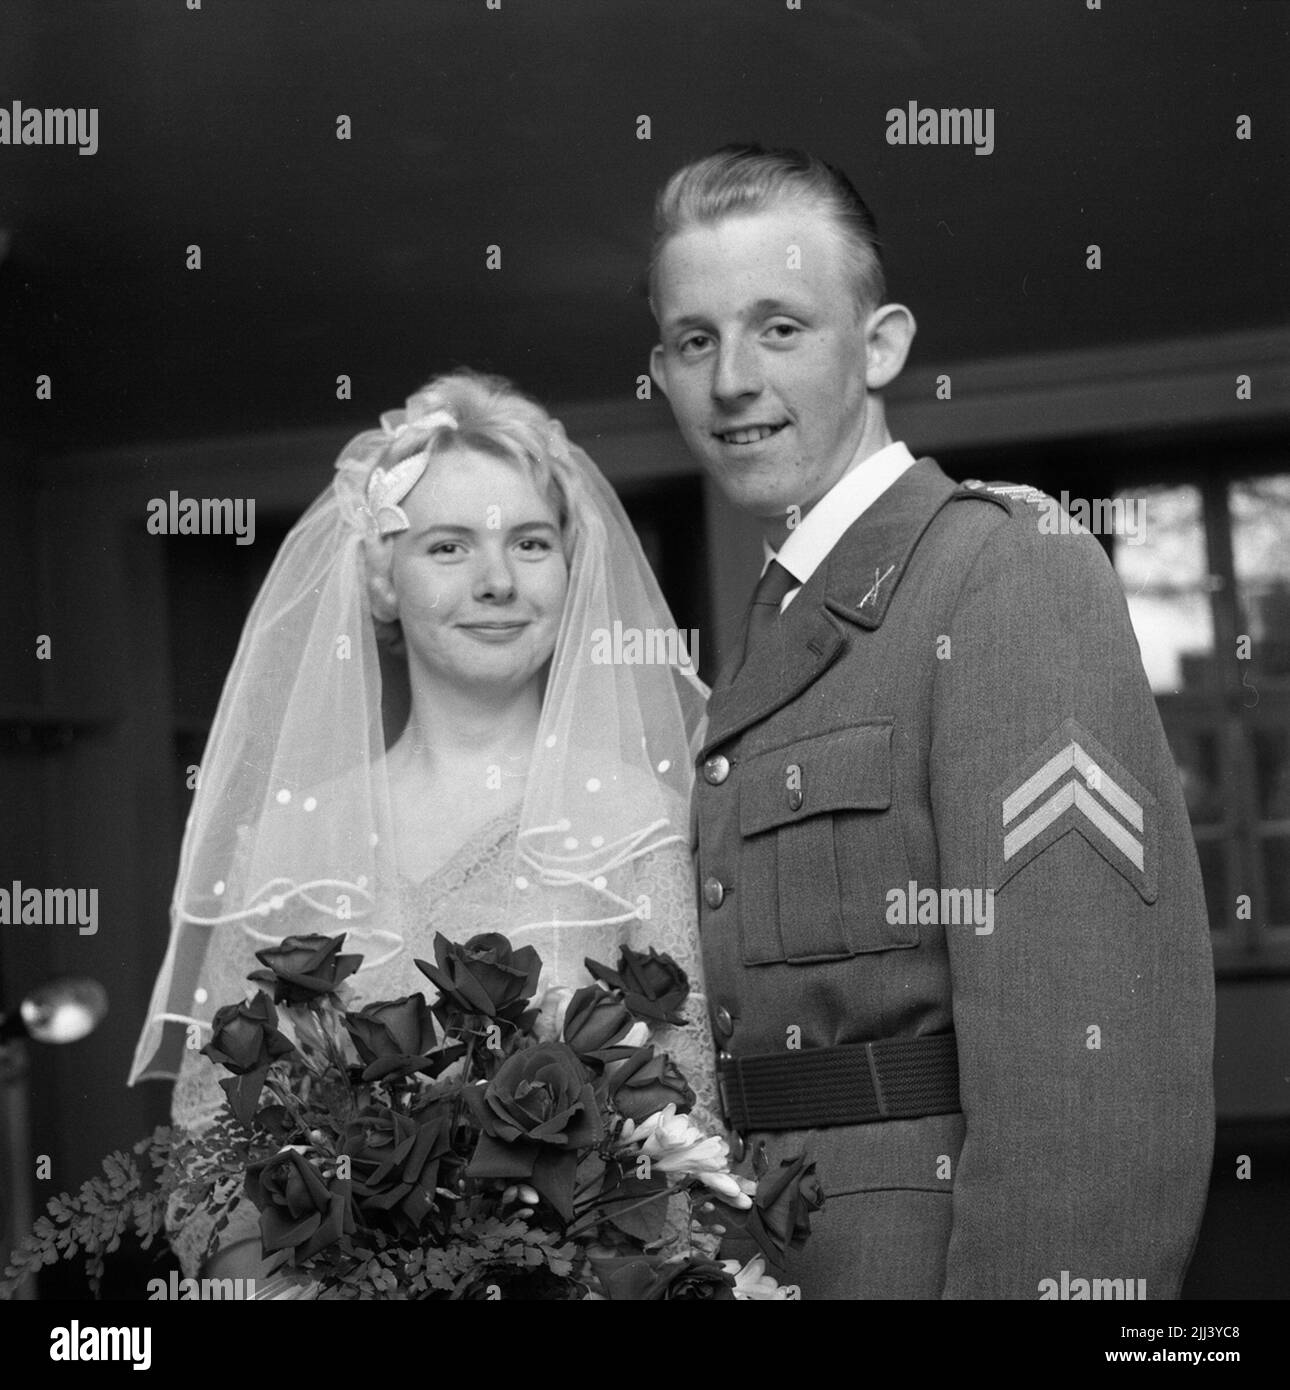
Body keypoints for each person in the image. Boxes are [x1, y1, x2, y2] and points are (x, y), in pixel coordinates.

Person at [647, 145, 1216, 1299]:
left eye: (783, 327)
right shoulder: (784, 618)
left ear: (884, 344)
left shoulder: (1002, 576)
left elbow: (1090, 1063)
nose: (734, 380)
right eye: (696, 341)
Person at [128, 370, 716, 1280]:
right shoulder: (292, 839)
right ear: (381, 579)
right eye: (448, 546)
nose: (496, 581)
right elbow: (207, 1145)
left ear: (573, 566)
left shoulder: (639, 821)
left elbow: (692, 1123)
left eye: (530, 542)